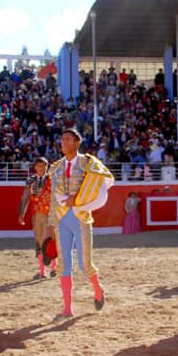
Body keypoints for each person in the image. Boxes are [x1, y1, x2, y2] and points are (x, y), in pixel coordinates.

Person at [48, 128, 115, 318]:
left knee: (85, 263)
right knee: (64, 264)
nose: (64, 143)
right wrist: (52, 223)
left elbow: (104, 183)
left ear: (77, 143)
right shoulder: (57, 167)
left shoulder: (88, 163)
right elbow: (54, 197)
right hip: (62, 218)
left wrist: (78, 200)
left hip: (81, 217)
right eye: (62, 140)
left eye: (68, 140)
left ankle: (97, 289)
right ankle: (68, 308)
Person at [18, 156, 56, 279]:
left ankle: (54, 268)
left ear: (47, 167)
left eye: (43, 166)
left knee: (51, 239)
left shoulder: (52, 180)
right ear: (35, 167)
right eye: (38, 166)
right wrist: (21, 213)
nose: (41, 168)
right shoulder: (31, 180)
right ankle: (42, 271)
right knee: (39, 240)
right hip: (36, 214)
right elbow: (25, 197)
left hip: (50, 214)